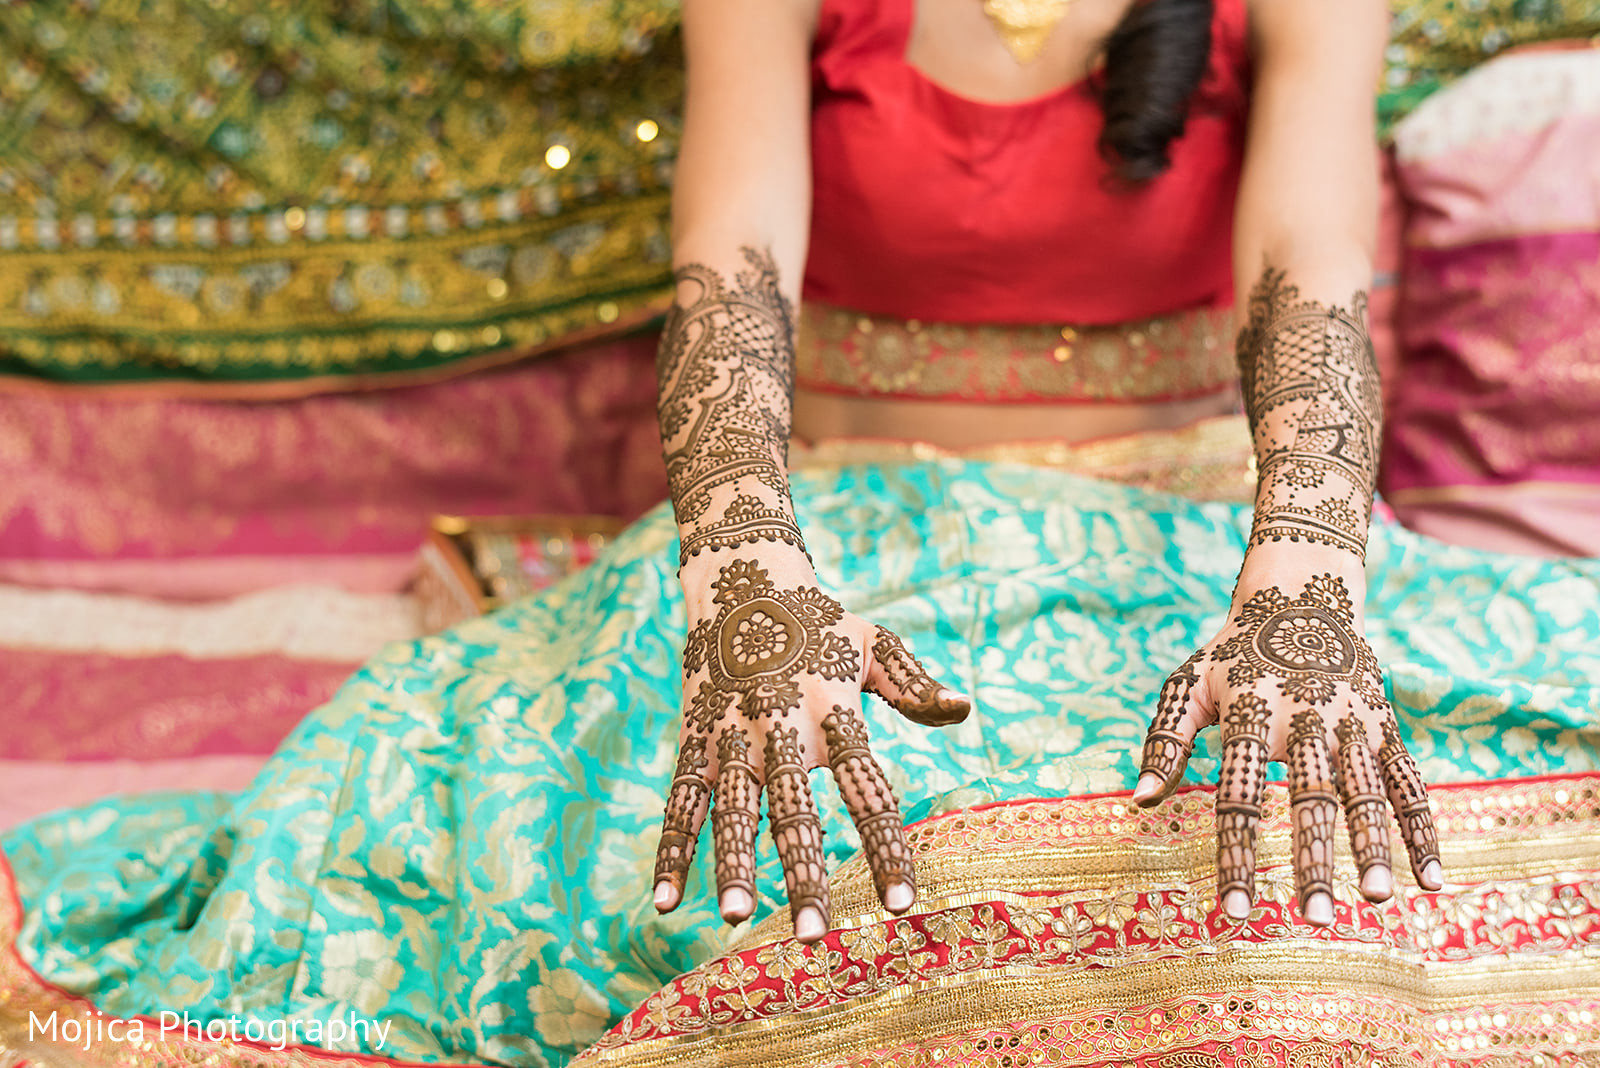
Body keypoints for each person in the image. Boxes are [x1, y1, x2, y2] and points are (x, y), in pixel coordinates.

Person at [3, 1, 1599, 1066]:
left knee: (1293, 865)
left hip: (1193, 538)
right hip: (839, 542)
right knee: (663, 846)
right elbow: (733, 268)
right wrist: (752, 577)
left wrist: (1307, 590)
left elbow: (1311, 271)